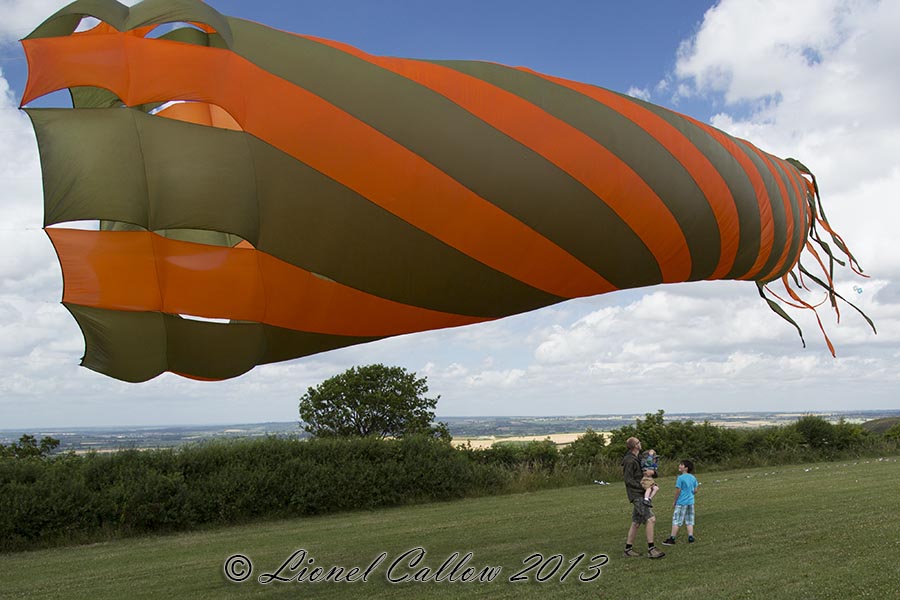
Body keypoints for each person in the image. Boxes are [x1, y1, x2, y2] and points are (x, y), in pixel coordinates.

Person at [622, 437, 665, 559]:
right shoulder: (629, 461)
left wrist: (653, 474)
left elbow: (649, 469)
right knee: (651, 519)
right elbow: (628, 480)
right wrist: (644, 486)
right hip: (637, 495)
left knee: (636, 522)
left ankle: (627, 550)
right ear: (635, 445)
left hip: (641, 493)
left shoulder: (638, 457)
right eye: (639, 442)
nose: (640, 444)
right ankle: (651, 549)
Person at [662, 459, 699, 546]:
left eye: (681, 465)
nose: (679, 466)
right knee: (689, 520)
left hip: (682, 502)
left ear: (686, 468)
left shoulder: (680, 478)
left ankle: (672, 539)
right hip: (691, 502)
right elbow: (695, 490)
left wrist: (675, 501)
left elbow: (678, 491)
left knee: (676, 520)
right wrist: (690, 494)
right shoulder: (693, 477)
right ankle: (690, 537)